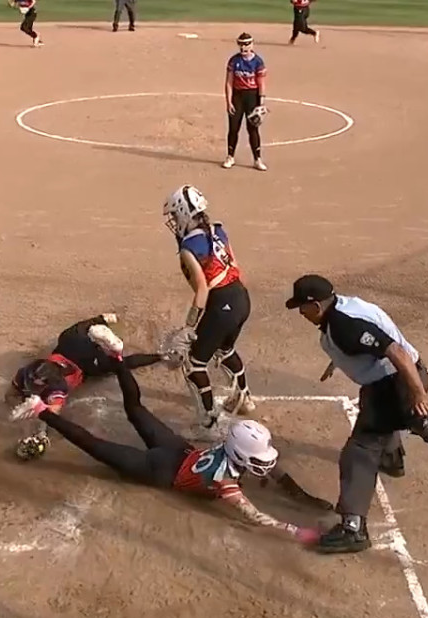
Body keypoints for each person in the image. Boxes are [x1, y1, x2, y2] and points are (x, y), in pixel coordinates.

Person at [12, 325, 323, 544]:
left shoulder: (229, 449)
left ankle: (119, 358)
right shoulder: (226, 483)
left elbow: (269, 469)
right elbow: (255, 516)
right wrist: (295, 530)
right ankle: (40, 410)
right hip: (161, 469)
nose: (264, 464)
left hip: (179, 450)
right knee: (94, 445)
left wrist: (300, 496)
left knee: (134, 408)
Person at [285, 274, 428, 554]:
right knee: (375, 414)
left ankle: (353, 529)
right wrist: (338, 362)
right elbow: (366, 343)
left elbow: (395, 352)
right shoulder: (344, 307)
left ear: (317, 306)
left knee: (359, 451)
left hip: (397, 383)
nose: (300, 312)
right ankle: (393, 458)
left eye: (302, 307)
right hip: (393, 379)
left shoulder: (345, 326)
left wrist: (418, 394)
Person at [160, 185, 256, 431]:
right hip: (241, 298)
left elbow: (202, 289)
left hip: (221, 303)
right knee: (225, 349)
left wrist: (189, 328)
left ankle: (208, 423)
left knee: (194, 363)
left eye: (174, 215)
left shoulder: (187, 249)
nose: (173, 220)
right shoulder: (219, 231)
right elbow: (235, 265)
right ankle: (244, 399)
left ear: (183, 213)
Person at [7, 313, 163, 460]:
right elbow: (127, 363)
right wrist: (159, 357)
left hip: (81, 366)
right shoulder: (98, 361)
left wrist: (104, 317)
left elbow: (49, 415)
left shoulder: (71, 339)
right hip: (84, 364)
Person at [223, 33, 268, 171]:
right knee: (233, 128)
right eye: (241, 44)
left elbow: (261, 83)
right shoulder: (234, 61)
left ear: (252, 45)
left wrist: (261, 102)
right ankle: (230, 157)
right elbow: (229, 82)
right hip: (237, 96)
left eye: (247, 44)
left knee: (252, 129)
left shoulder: (258, 62)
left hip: (252, 96)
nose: (244, 47)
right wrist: (229, 102)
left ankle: (257, 159)